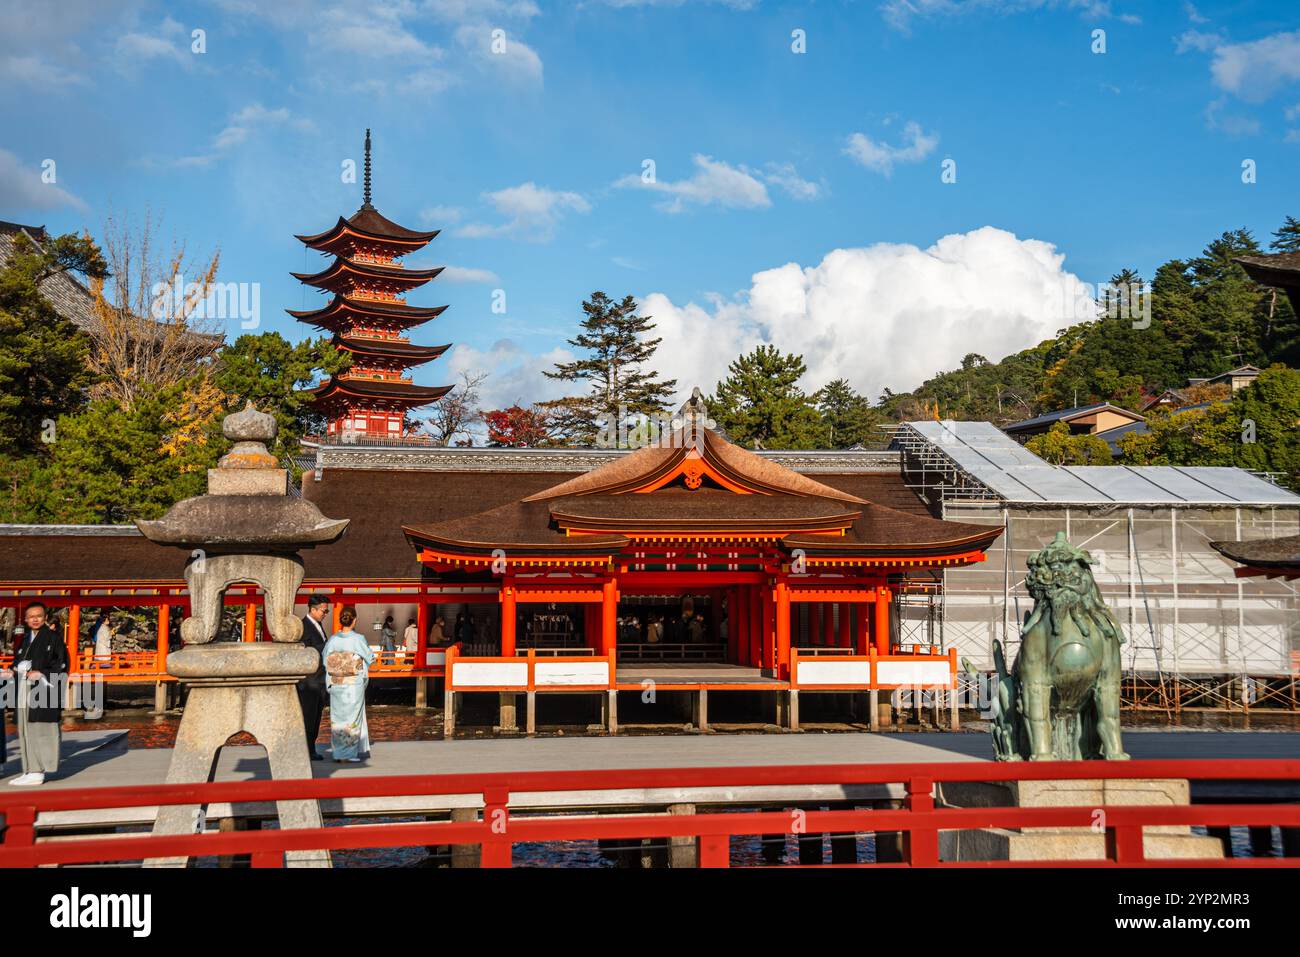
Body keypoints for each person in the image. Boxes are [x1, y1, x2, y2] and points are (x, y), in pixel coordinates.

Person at [2, 603, 69, 786]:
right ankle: (31, 769)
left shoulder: (53, 638)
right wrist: (12, 671)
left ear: (45, 617)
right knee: (25, 728)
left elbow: (61, 664)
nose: (35, 619)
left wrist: (42, 674)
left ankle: (40, 771)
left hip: (43, 688)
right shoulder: (26, 639)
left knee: (42, 729)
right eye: (31, 616)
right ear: (25, 619)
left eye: (38, 616)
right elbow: (19, 661)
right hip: (25, 686)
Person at [322, 606, 374, 763]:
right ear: (355, 620)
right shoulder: (358, 639)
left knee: (338, 718)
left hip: (337, 683)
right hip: (353, 684)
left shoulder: (333, 640)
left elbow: (325, 659)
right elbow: (370, 658)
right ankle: (349, 754)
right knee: (352, 718)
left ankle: (339, 753)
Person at [297, 595, 330, 760]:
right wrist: (328, 645)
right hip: (309, 680)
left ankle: (311, 748)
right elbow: (306, 652)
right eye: (324, 610)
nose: (326, 614)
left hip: (320, 679)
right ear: (313, 609)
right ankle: (307, 750)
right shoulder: (303, 626)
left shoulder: (318, 625)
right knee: (308, 717)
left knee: (316, 717)